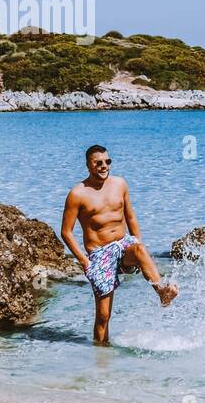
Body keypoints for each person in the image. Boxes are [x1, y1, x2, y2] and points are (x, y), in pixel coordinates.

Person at [60, 144, 178, 345]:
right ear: (88, 165)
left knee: (140, 250)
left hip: (123, 245)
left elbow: (130, 216)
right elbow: (66, 232)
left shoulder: (120, 184)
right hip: (99, 254)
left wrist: (137, 240)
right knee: (104, 316)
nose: (104, 166)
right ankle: (101, 354)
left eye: (107, 161)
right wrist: (84, 261)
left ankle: (162, 292)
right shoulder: (77, 194)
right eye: (98, 163)